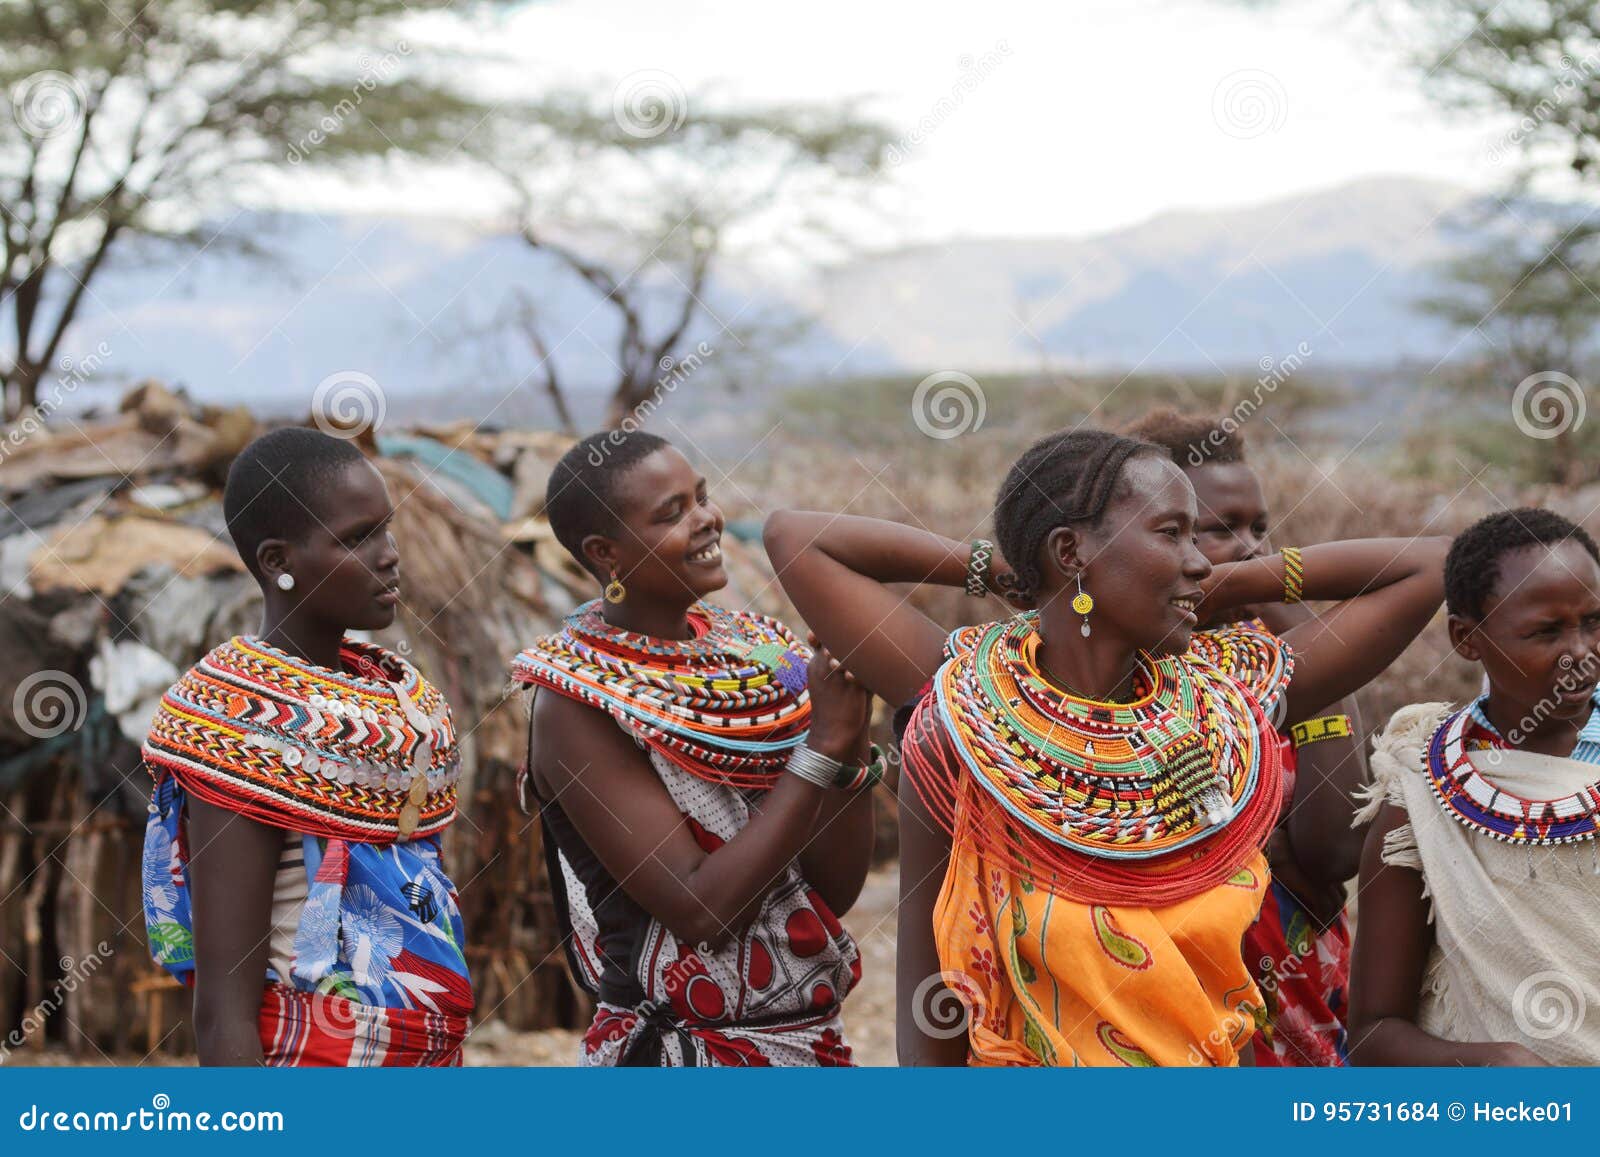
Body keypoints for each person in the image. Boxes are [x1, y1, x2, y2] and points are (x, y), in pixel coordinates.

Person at [766, 428, 1447, 1066]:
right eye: (1171, 533)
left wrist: (1239, 580)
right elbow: (795, 538)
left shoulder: (1224, 697)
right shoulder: (970, 721)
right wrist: (1004, 568)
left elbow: (1429, 566)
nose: (1199, 558)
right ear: (1072, 551)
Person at [511, 431, 876, 1066]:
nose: (707, 518)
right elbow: (701, 909)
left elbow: (827, 893)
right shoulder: (576, 703)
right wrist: (821, 749)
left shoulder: (757, 655)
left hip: (808, 1043)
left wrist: (848, 747)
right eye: (671, 512)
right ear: (606, 553)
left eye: (701, 497)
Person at [141, 427, 473, 1066]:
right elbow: (224, 1011)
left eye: (385, 528)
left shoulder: (394, 701)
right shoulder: (241, 726)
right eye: (356, 539)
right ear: (276, 561)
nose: (389, 555)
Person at [1126, 409, 1366, 1066]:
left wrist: (1298, 623)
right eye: (1219, 529)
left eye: (1260, 527)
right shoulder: (1119, 674)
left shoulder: (1275, 656)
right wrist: (1264, 843)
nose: (1253, 547)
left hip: (1302, 1015)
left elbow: (1332, 848)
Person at [1349, 508, 1600, 1066]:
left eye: (1594, 621)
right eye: (1546, 631)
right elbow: (1372, 1032)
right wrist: (1487, 1064)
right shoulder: (1421, 795)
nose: (1580, 652)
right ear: (1468, 638)